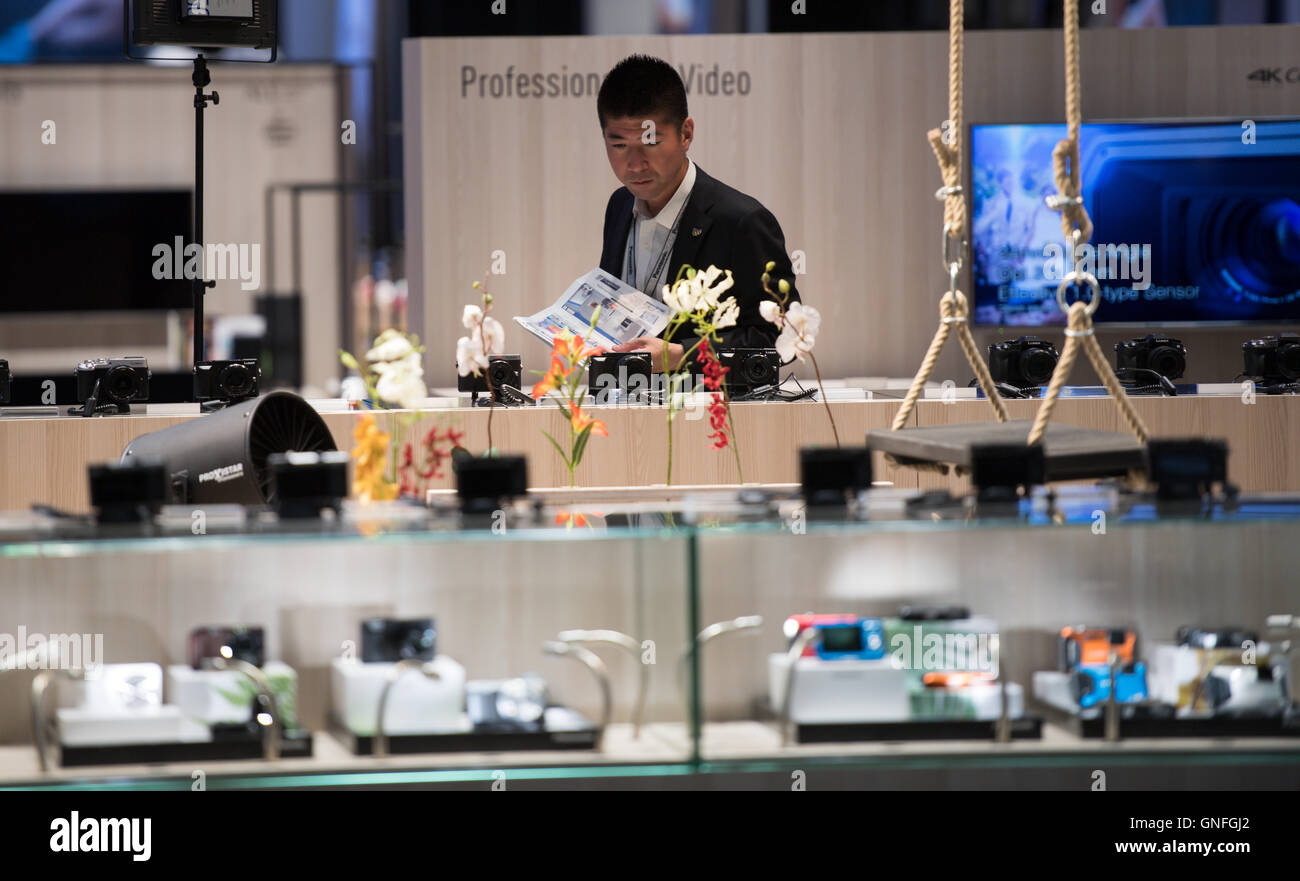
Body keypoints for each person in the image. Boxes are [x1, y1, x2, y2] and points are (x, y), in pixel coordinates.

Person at [595, 54, 800, 371]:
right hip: (625, 402)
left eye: (650, 142)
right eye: (619, 145)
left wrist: (680, 355)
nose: (634, 163)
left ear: (685, 134)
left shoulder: (742, 221)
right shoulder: (620, 205)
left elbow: (780, 338)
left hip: (711, 411)